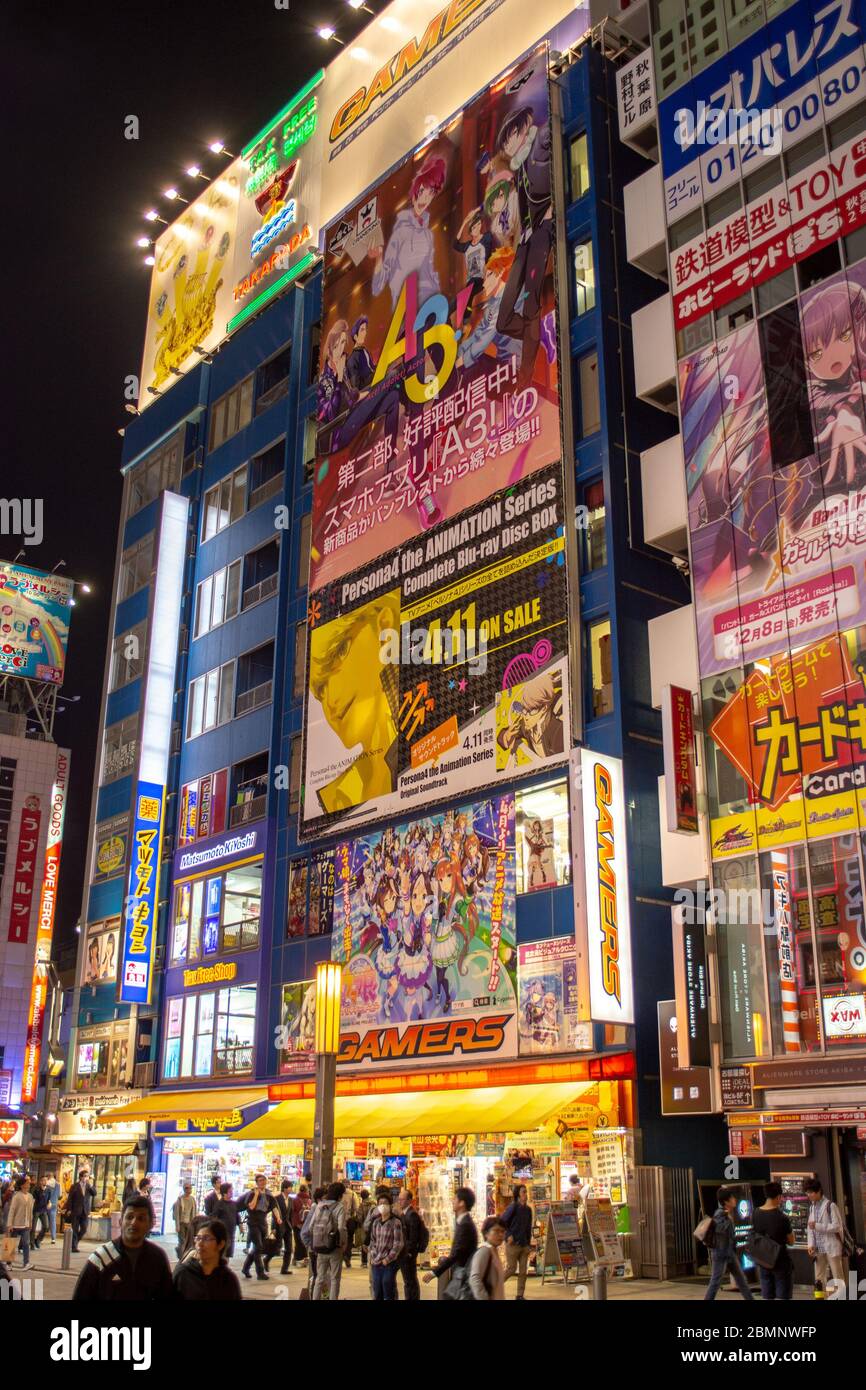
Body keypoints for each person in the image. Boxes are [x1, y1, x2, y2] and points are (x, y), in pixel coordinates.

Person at [72, 1196, 172, 1301]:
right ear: (121, 1222)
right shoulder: (101, 1258)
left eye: (141, 1218)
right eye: (129, 1217)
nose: (134, 1223)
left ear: (151, 1224)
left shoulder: (157, 1258)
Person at [423, 1187, 478, 1292]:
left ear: (462, 1203)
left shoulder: (465, 1225)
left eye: (455, 1198)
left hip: (463, 1276)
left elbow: (456, 1254)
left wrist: (434, 1272)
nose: (452, 1201)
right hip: (461, 1274)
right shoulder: (462, 1221)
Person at [172, 1218, 242, 1301]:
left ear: (220, 1244)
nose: (200, 1244)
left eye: (206, 1239)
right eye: (198, 1238)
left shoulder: (228, 1279)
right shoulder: (183, 1273)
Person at [704, 1187, 754, 1301]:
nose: (735, 1199)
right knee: (715, 1282)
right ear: (726, 1201)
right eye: (732, 1198)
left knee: (741, 1281)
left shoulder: (726, 1214)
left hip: (729, 1253)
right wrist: (727, 1219)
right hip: (721, 1254)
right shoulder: (720, 1215)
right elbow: (721, 1232)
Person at [752, 1182, 795, 1301]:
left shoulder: (755, 1213)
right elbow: (791, 1241)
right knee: (783, 1296)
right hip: (781, 1261)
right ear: (779, 1197)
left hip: (763, 1260)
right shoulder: (782, 1217)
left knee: (767, 1295)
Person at [805, 1178, 845, 1291]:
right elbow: (810, 1228)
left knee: (838, 1277)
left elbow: (837, 1226)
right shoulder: (812, 1207)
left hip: (831, 1246)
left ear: (819, 1191)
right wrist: (810, 1245)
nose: (809, 1195)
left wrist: (818, 1226)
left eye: (811, 1192)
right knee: (819, 1279)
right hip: (818, 1249)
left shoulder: (830, 1205)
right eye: (807, 1192)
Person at [310, 1181, 347, 1301]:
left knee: (320, 1278)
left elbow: (311, 1226)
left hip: (320, 1247)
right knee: (334, 1278)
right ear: (340, 1195)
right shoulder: (339, 1207)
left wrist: (318, 1238)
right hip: (334, 1247)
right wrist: (342, 1243)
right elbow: (341, 1228)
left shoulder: (319, 1205)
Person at [241, 1173, 280, 1281]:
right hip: (253, 1222)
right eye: (260, 1180)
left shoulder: (268, 1194)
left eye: (264, 1180)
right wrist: (257, 1195)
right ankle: (260, 1273)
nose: (262, 1182)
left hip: (263, 1222)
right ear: (257, 1182)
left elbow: (274, 1207)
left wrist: (278, 1218)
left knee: (258, 1248)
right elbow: (251, 1206)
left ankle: (245, 1268)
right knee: (258, 1247)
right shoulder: (252, 1193)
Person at [368, 1191, 404, 1300]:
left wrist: (387, 1259)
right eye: (380, 1203)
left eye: (385, 1203)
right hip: (376, 1262)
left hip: (389, 1263)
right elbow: (373, 1242)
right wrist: (374, 1256)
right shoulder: (376, 1223)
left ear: (390, 1205)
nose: (382, 1206)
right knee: (377, 1290)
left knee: (388, 1289)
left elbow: (398, 1244)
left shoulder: (396, 1222)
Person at [501, 1183, 533, 1299]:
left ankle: (520, 1295)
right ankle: (495, 1286)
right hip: (513, 1244)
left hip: (524, 1244)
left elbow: (528, 1227)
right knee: (511, 1268)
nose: (526, 1194)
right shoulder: (513, 1207)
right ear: (518, 1195)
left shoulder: (528, 1210)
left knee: (523, 1272)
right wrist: (508, 1235)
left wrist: (529, 1244)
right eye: (523, 1192)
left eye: (526, 1192)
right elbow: (502, 1221)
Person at [469, 1217, 507, 1300]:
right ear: (486, 1233)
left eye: (503, 1231)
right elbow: (475, 1279)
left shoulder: (493, 1250)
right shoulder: (484, 1251)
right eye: (496, 1231)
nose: (501, 1234)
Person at [397, 1188, 424, 1300]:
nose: (400, 1202)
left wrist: (408, 1253)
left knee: (410, 1280)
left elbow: (413, 1237)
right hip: (405, 1252)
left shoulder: (411, 1214)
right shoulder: (405, 1213)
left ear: (409, 1200)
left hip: (408, 1253)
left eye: (402, 1199)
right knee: (408, 1280)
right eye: (399, 1199)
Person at [266, 1179, 295, 1275]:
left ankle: (284, 1269)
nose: (291, 1188)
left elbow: (290, 1214)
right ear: (285, 1188)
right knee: (276, 1247)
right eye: (290, 1187)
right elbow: (274, 1214)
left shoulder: (291, 1200)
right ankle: (266, 1259)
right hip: (279, 1226)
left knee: (289, 1249)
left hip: (288, 1227)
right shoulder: (277, 1198)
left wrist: (291, 1225)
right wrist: (273, 1228)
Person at [65, 1167, 96, 1253]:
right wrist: (69, 1209)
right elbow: (70, 1198)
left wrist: (91, 1185)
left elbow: (94, 1193)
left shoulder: (89, 1186)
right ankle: (74, 1247)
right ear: (81, 1177)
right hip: (75, 1211)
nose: (86, 1178)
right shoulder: (74, 1186)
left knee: (84, 1229)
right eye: (85, 1176)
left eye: (87, 1176)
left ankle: (74, 1242)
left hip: (85, 1211)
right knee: (74, 1229)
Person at [7, 1176, 34, 1270]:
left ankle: (26, 1263)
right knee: (11, 1244)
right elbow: (12, 1210)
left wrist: (30, 1223)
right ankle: (8, 1264)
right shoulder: (17, 1196)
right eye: (27, 1183)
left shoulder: (30, 1196)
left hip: (26, 1225)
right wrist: (9, 1224)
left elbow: (31, 1211)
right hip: (15, 1224)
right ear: (22, 1185)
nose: (29, 1184)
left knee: (26, 1244)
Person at [172, 1182, 198, 1260]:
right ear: (184, 1189)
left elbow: (194, 1212)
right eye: (186, 1188)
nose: (188, 1190)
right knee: (182, 1241)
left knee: (189, 1241)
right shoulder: (180, 1199)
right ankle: (182, 1257)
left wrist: (194, 1223)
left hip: (189, 1223)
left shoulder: (192, 1199)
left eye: (190, 1188)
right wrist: (177, 1226)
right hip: (181, 1223)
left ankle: (183, 1254)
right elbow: (177, 1214)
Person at [213, 1183, 239, 1260]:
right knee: (222, 1253)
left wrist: (240, 1224)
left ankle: (225, 1268)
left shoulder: (234, 1203)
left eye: (232, 1191)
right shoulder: (219, 1204)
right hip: (222, 1233)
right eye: (230, 1191)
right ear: (224, 1193)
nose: (232, 1193)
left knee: (228, 1254)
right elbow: (214, 1217)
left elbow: (236, 1215)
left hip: (231, 1233)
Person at [292, 1183, 311, 1266]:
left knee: (298, 1241)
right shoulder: (309, 1200)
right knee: (304, 1241)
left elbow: (292, 1212)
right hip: (306, 1223)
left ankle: (298, 1258)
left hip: (296, 1223)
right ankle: (301, 1258)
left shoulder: (295, 1199)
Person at [342, 1183, 360, 1268]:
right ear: (349, 1185)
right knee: (349, 1240)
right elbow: (356, 1208)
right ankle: (347, 1257)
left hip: (339, 1220)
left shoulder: (338, 1193)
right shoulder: (353, 1194)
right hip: (349, 1220)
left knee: (339, 1239)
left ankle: (340, 1256)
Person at [31, 1176, 51, 1250]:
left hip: (44, 1211)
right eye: (43, 1180)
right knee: (33, 1228)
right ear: (40, 1182)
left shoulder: (49, 1190)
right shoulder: (36, 1190)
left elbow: (49, 1200)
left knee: (46, 1226)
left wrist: (49, 1204)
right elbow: (33, 1200)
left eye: (46, 1180)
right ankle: (32, 1244)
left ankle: (38, 1240)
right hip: (36, 1210)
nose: (45, 1182)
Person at [357, 1189, 374, 1268]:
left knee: (364, 1243)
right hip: (373, 1226)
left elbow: (359, 1217)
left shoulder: (361, 1205)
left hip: (364, 1227)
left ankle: (364, 1262)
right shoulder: (374, 1203)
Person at [44, 1173, 60, 1244]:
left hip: (46, 1204)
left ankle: (42, 1235)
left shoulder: (46, 1183)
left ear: (48, 1176)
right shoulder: (58, 1184)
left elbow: (44, 1194)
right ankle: (53, 1238)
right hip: (54, 1204)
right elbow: (59, 1195)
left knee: (44, 1220)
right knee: (53, 1222)